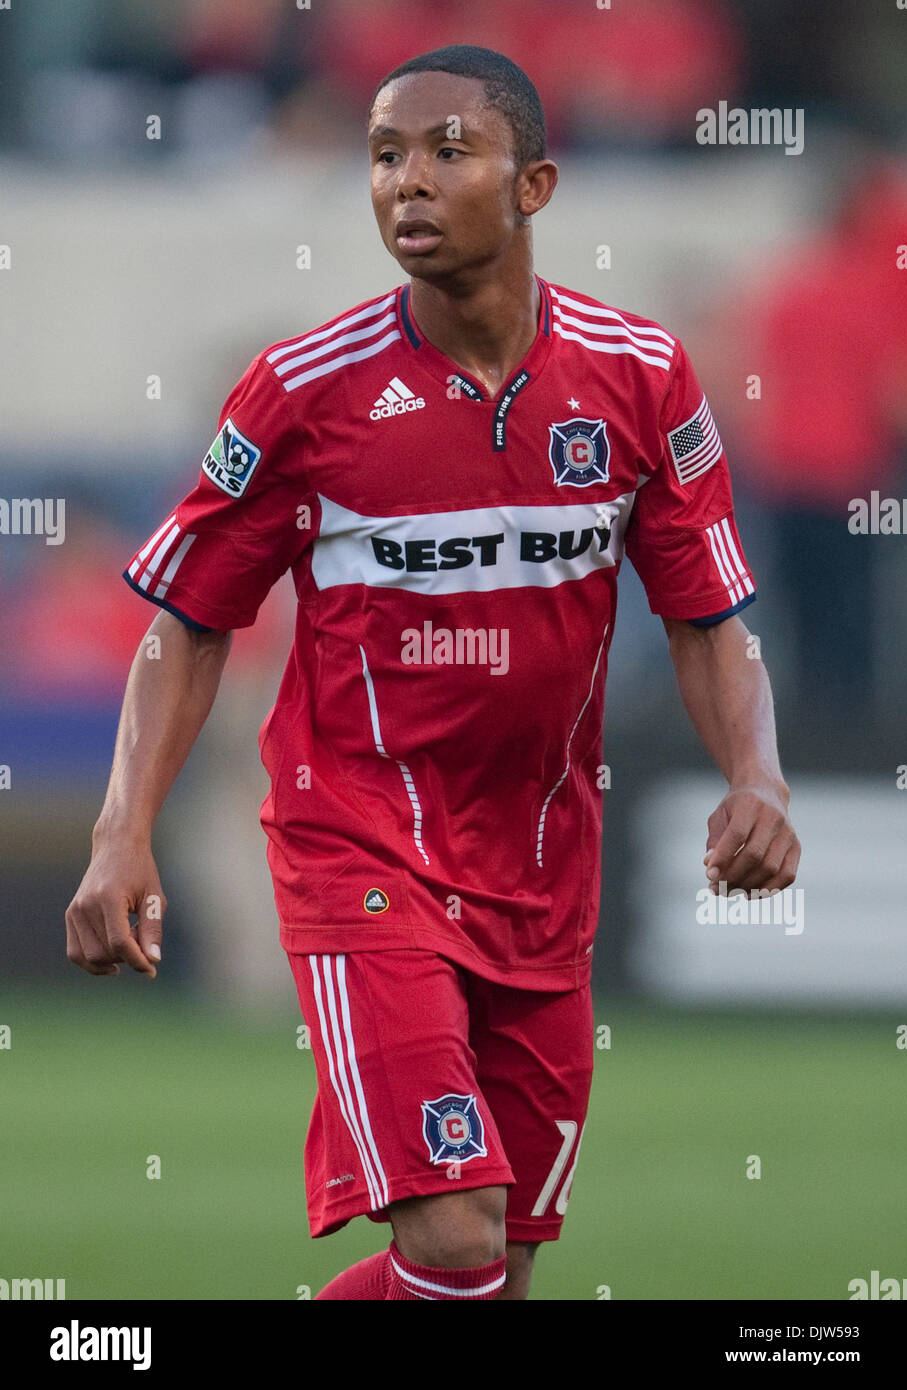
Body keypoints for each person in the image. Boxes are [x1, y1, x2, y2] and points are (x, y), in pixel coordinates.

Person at [65, 45, 800, 1301]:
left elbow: (706, 615)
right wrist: (120, 829)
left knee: (495, 1273)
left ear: (535, 186)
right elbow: (185, 619)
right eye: (385, 155)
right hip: (361, 855)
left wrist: (758, 774)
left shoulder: (640, 376)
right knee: (455, 1240)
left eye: (446, 151)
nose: (407, 182)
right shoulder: (303, 392)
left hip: (541, 874)